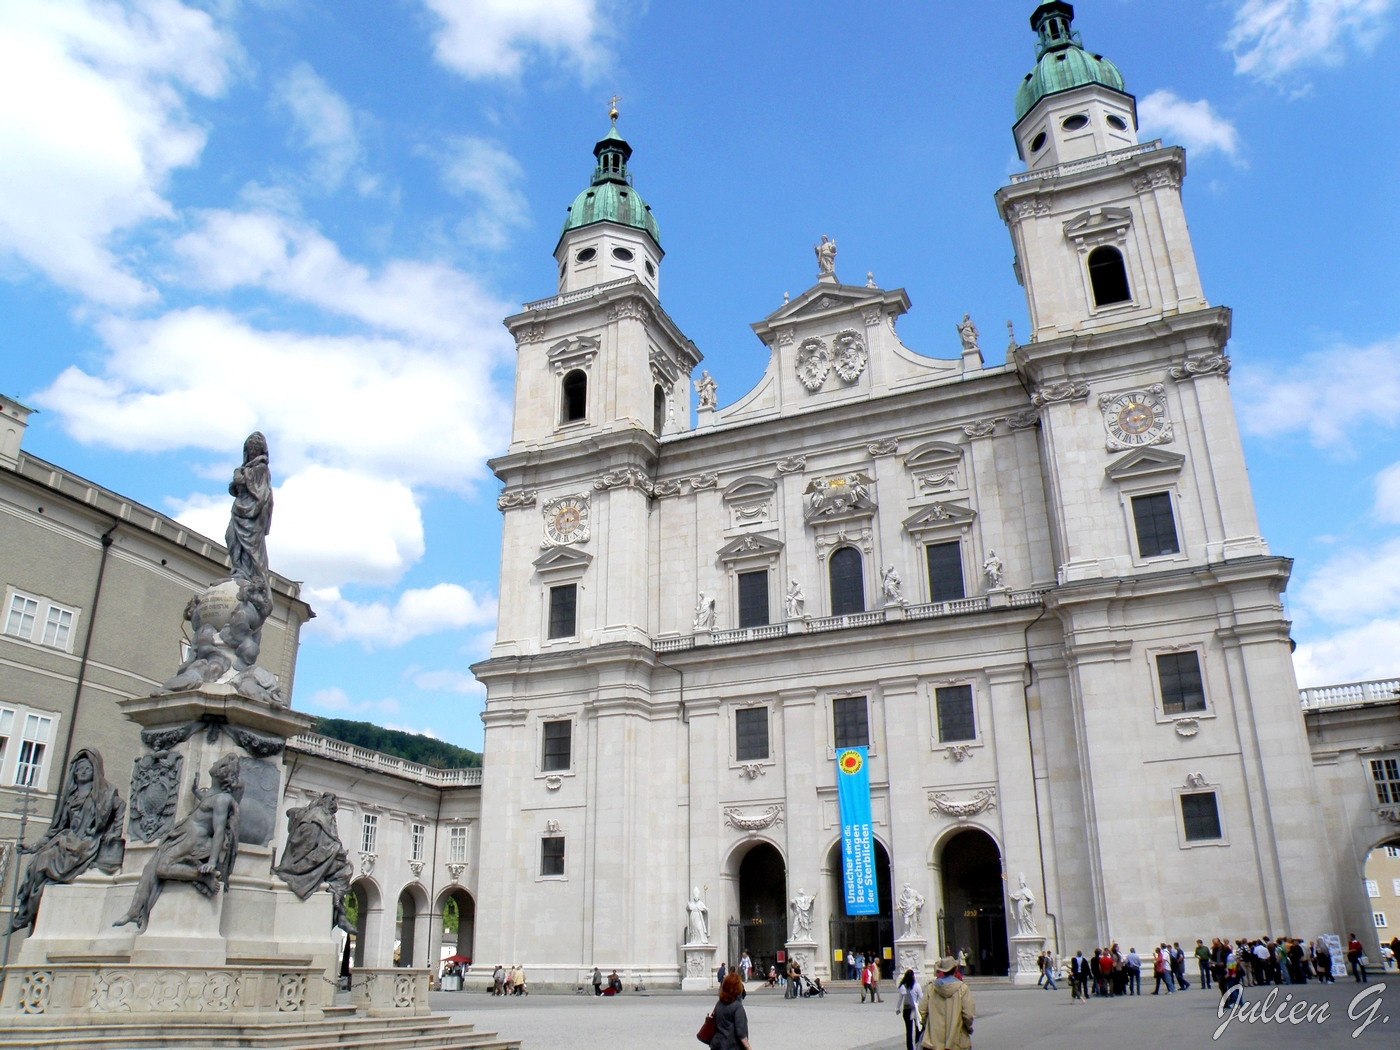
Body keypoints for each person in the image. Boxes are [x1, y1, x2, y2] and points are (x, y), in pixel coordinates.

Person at [918, 957, 974, 1050]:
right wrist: (968, 1027)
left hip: (933, 1040)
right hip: (956, 1040)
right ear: (955, 969)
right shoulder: (962, 989)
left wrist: (927, 1024)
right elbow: (968, 1014)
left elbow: (922, 1009)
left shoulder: (931, 988)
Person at [709, 972, 750, 1050]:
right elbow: (741, 1031)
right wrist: (748, 1047)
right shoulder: (737, 1006)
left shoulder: (719, 1004)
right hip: (732, 1046)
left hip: (717, 1045)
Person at [895, 969, 922, 1050]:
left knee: (908, 1031)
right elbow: (921, 997)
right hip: (915, 1009)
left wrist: (897, 1008)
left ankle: (910, 1048)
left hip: (906, 1009)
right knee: (918, 1027)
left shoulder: (903, 986)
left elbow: (900, 999)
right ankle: (917, 1045)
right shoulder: (916, 986)